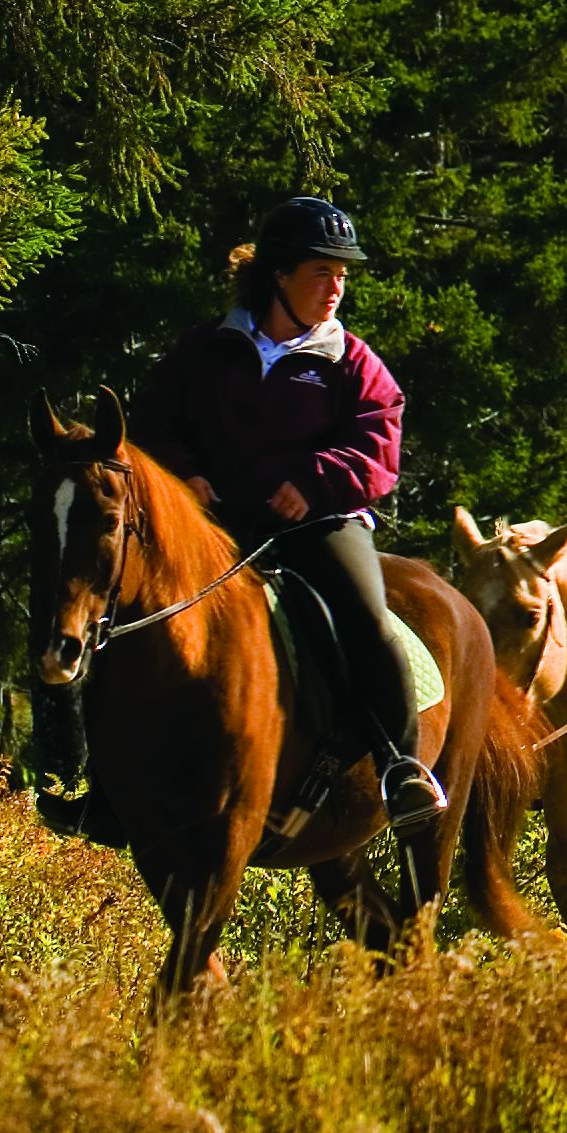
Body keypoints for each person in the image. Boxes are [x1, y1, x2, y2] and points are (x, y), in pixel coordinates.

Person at [137, 196, 444, 825]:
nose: (335, 288)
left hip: (320, 524)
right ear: (279, 275)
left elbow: (379, 446)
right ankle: (110, 779)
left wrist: (315, 481)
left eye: (342, 275)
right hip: (214, 523)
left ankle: (400, 767)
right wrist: (186, 475)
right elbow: (151, 424)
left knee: (366, 618)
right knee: (129, 610)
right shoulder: (204, 348)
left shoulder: (355, 363)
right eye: (320, 273)